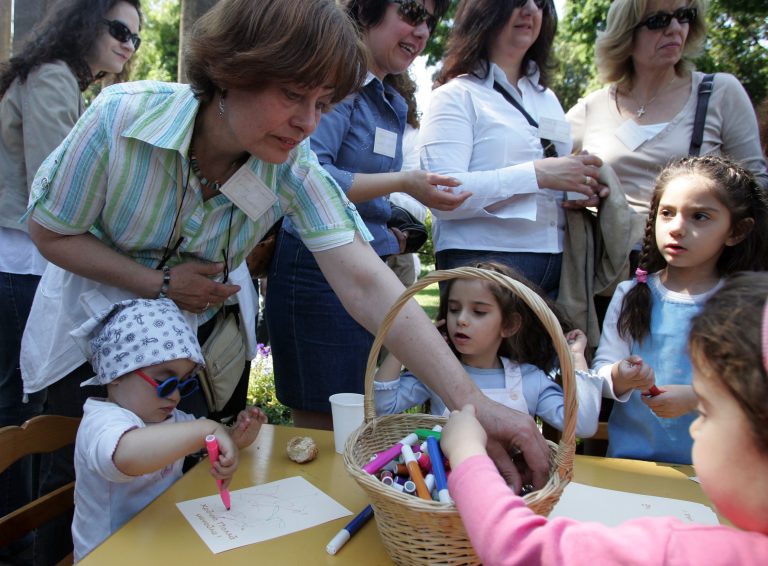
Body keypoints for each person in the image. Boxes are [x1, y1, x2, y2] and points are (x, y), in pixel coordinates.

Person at [19, 0, 551, 525]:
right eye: (293, 95)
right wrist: (159, 281)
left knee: (171, 508)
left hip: (177, 365)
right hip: (85, 351)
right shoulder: (123, 117)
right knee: (71, 501)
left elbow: (365, 280)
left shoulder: (290, 166)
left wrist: (467, 399)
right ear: (231, 70)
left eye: (323, 103)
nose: (306, 123)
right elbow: (49, 231)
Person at [439, 271, 768, 565]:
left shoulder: (678, 550)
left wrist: (468, 454)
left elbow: (522, 549)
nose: (696, 424)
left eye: (705, 410)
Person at [266, 0, 469, 430]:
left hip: (362, 266)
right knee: (326, 426)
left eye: (429, 21)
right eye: (411, 12)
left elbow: (359, 193)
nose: (421, 31)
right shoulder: (338, 86)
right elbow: (309, 177)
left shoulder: (386, 97)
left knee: (359, 422)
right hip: (316, 269)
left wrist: (385, 230)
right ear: (366, 10)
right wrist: (403, 182)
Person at [0, 0, 140, 558]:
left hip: (23, 262)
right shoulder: (53, 77)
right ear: (84, 21)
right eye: (119, 29)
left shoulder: (60, 79)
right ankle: (22, 544)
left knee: (21, 409)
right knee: (24, 412)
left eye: (135, 36)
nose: (129, 44)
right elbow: (55, 192)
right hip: (21, 264)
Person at [418, 0, 606, 297]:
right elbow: (442, 195)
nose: (531, 9)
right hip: (482, 262)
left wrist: (580, 187)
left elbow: (553, 181)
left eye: (541, 2)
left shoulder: (548, 99)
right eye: (518, 0)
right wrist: (537, 175)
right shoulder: (456, 96)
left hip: (557, 262)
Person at [592, 155, 768, 464]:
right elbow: (601, 376)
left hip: (721, 477)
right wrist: (620, 376)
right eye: (667, 213)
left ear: (736, 231)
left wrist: (696, 398)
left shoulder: (749, 305)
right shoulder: (631, 293)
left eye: (699, 216)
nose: (677, 228)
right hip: (632, 469)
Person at [69, 298, 267, 561]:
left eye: (184, 385)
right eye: (164, 383)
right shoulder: (102, 421)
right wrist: (205, 428)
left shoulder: (167, 418)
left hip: (159, 540)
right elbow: (126, 456)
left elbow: (203, 440)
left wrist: (232, 438)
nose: (174, 397)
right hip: (109, 555)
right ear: (116, 374)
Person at [567, 0, 768, 236]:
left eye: (684, 15)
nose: (675, 28)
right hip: (611, 264)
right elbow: (541, 163)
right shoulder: (594, 106)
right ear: (626, 34)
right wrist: (580, 189)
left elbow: (757, 187)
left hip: (694, 265)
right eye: (658, 20)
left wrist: (704, 200)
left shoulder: (720, 92)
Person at [375, 261, 601, 438]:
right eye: (454, 309)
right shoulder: (437, 371)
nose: (461, 320)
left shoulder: (530, 380)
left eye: (479, 312)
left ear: (509, 325)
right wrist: (406, 343)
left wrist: (575, 357)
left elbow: (583, 425)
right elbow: (382, 407)